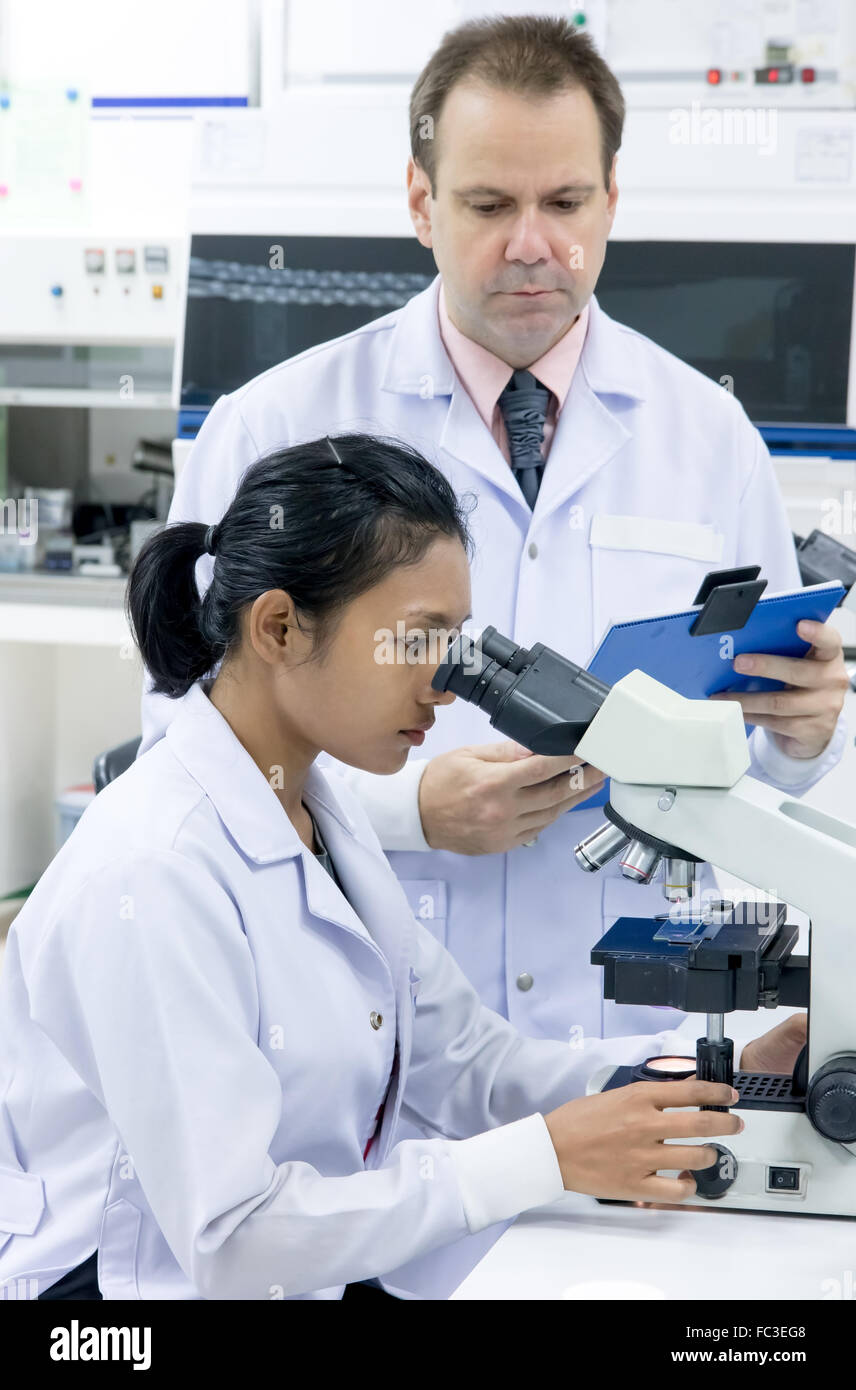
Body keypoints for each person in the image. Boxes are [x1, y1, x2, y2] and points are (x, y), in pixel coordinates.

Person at [141, 15, 847, 1057]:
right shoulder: (277, 425)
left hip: (624, 1029)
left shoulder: (709, 436)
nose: (531, 242)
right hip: (357, 1035)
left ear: (612, 201)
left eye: (563, 202)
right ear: (422, 204)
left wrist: (801, 735)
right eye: (488, 203)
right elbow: (179, 751)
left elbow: (751, 764)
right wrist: (407, 810)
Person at [0, 435, 796, 1302]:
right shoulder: (152, 874)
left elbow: (466, 1064)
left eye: (458, 644)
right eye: (419, 641)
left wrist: (703, 1078)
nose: (447, 687)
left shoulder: (317, 814)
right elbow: (231, 1240)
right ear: (277, 626)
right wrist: (545, 1158)